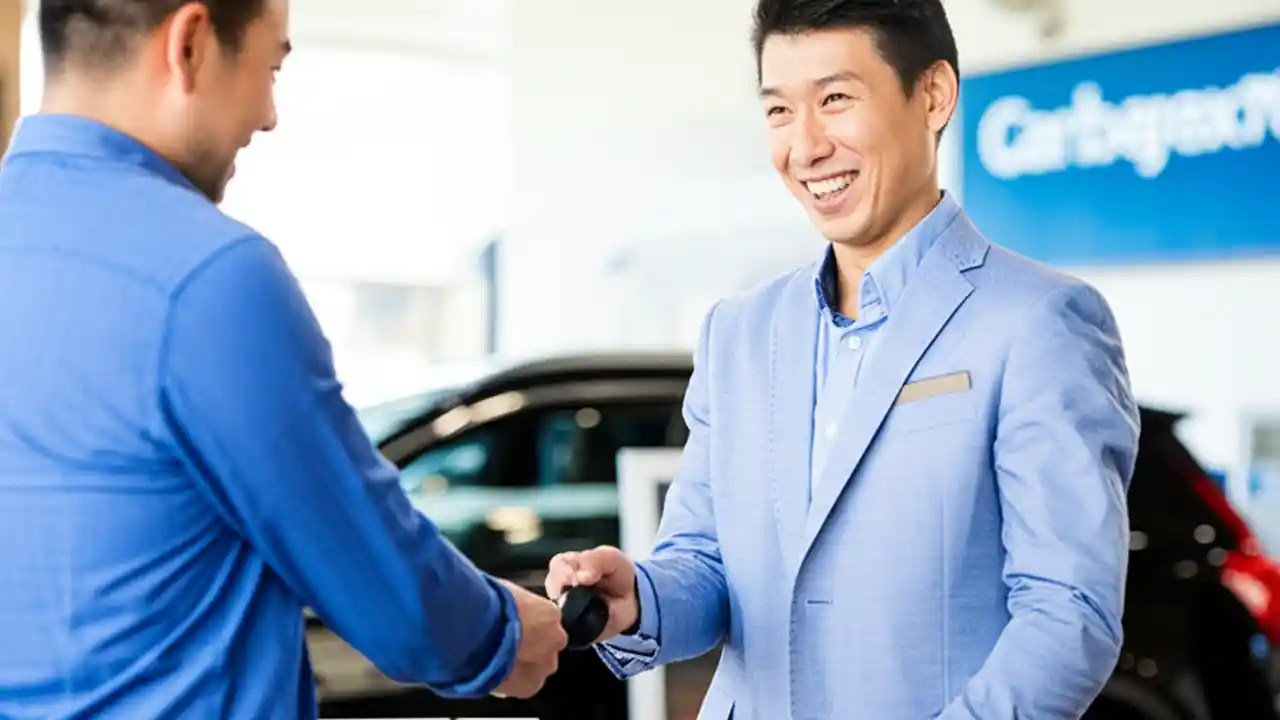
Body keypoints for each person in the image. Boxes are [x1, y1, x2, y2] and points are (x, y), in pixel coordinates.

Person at [545, 0, 1140, 718]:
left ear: (933, 94)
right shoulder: (739, 332)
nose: (806, 146)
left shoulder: (1039, 322)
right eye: (779, 112)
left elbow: (1066, 614)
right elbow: (707, 565)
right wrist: (638, 598)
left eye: (835, 99)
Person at [0, 1, 566, 718]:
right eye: (270, 68)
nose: (268, 115)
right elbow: (389, 590)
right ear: (192, 42)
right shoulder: (210, 277)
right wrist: (505, 631)